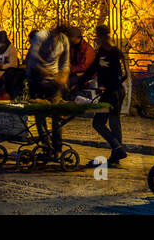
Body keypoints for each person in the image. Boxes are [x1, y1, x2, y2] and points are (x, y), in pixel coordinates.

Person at [77, 24, 129, 166]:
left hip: (114, 92)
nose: (97, 38)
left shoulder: (114, 53)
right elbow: (91, 69)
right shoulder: (100, 52)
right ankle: (117, 151)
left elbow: (121, 75)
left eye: (98, 36)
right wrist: (78, 83)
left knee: (107, 122)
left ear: (103, 36)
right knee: (104, 122)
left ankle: (117, 152)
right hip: (107, 92)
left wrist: (107, 86)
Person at [25, 25, 71, 155]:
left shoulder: (64, 40)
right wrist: (46, 72)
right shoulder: (41, 37)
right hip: (36, 78)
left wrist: (63, 77)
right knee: (40, 114)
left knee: (57, 113)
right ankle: (45, 145)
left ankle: (57, 148)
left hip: (53, 82)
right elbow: (33, 58)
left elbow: (65, 63)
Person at [65, 25, 96, 95]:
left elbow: (84, 67)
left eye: (69, 37)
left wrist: (70, 69)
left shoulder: (88, 49)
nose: (68, 39)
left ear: (76, 37)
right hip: (75, 73)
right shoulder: (72, 46)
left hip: (86, 75)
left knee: (68, 82)